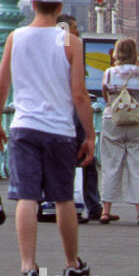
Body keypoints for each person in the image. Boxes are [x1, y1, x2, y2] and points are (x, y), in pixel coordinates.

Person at [0, 0, 95, 276]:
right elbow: (79, 95)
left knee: (27, 196)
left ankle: (27, 267)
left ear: (33, 5)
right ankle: (72, 264)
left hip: (24, 127)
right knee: (63, 198)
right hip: (60, 130)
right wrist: (90, 134)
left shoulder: (15, 37)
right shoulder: (70, 42)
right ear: (60, 8)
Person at [98, 36, 139, 225]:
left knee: (110, 164)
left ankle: (106, 211)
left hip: (113, 120)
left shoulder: (109, 73)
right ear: (134, 53)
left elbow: (105, 95)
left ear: (116, 53)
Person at [57, 15, 100, 224]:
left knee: (80, 160)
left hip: (57, 112)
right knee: (82, 158)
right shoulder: (70, 48)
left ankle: (88, 204)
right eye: (74, 27)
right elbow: (79, 89)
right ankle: (81, 204)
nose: (77, 31)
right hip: (71, 110)